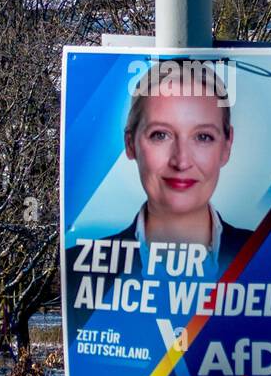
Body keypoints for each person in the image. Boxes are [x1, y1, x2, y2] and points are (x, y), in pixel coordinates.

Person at [68, 59, 253, 282]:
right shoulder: (79, 270)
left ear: (226, 145)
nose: (181, 160)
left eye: (203, 137)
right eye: (160, 135)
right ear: (130, 144)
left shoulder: (268, 259)